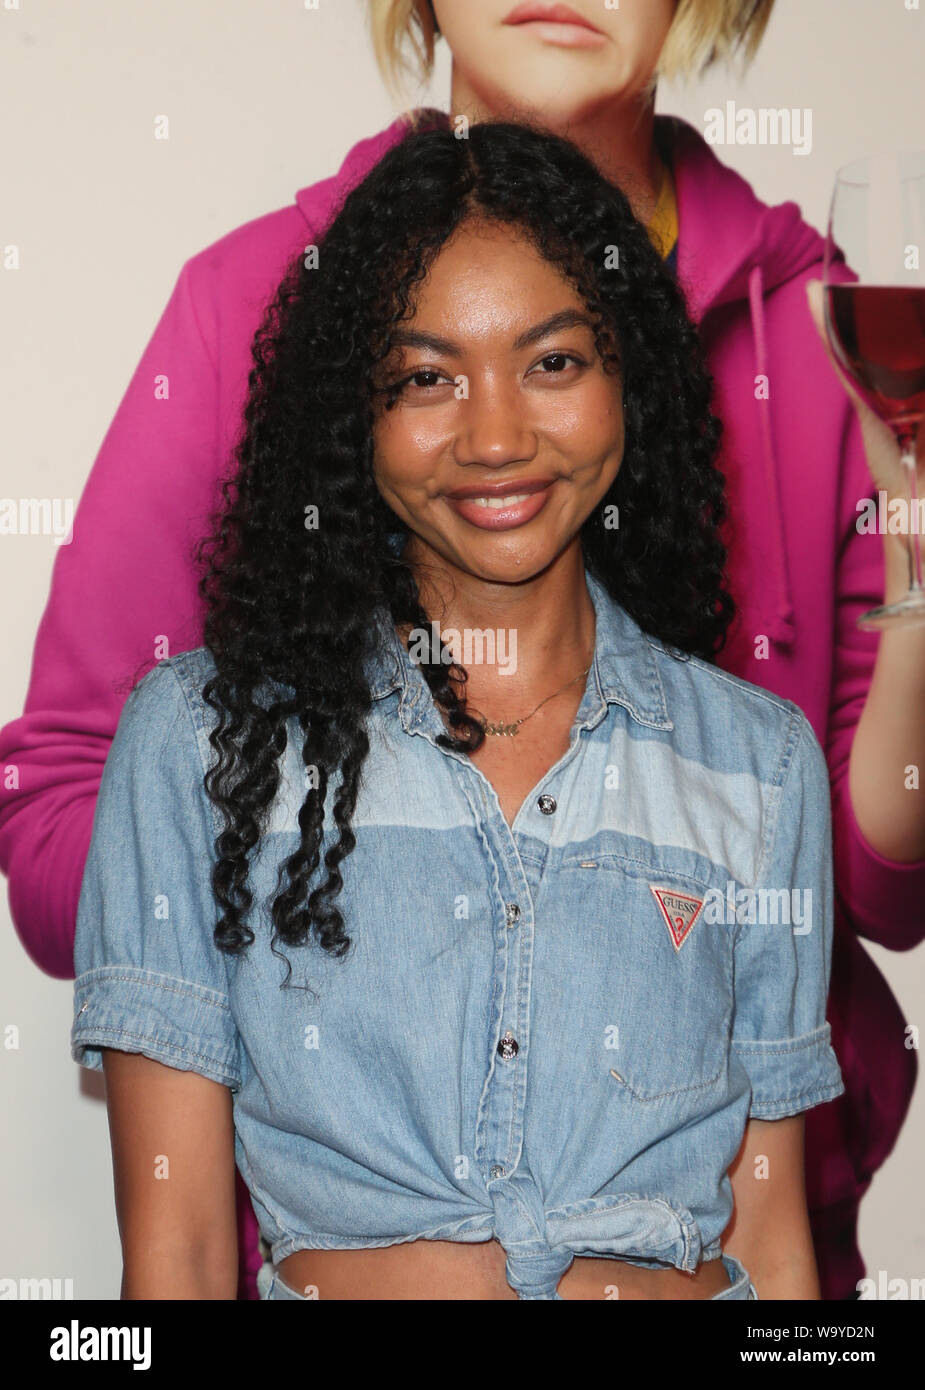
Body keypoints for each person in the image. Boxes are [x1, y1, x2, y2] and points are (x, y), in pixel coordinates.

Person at [2, 0, 922, 1301]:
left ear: (627, 383)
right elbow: (178, 1257)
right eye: (423, 377)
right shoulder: (196, 740)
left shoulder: (751, 752)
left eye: (552, 362)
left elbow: (777, 1228)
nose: (495, 433)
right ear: (345, 413)